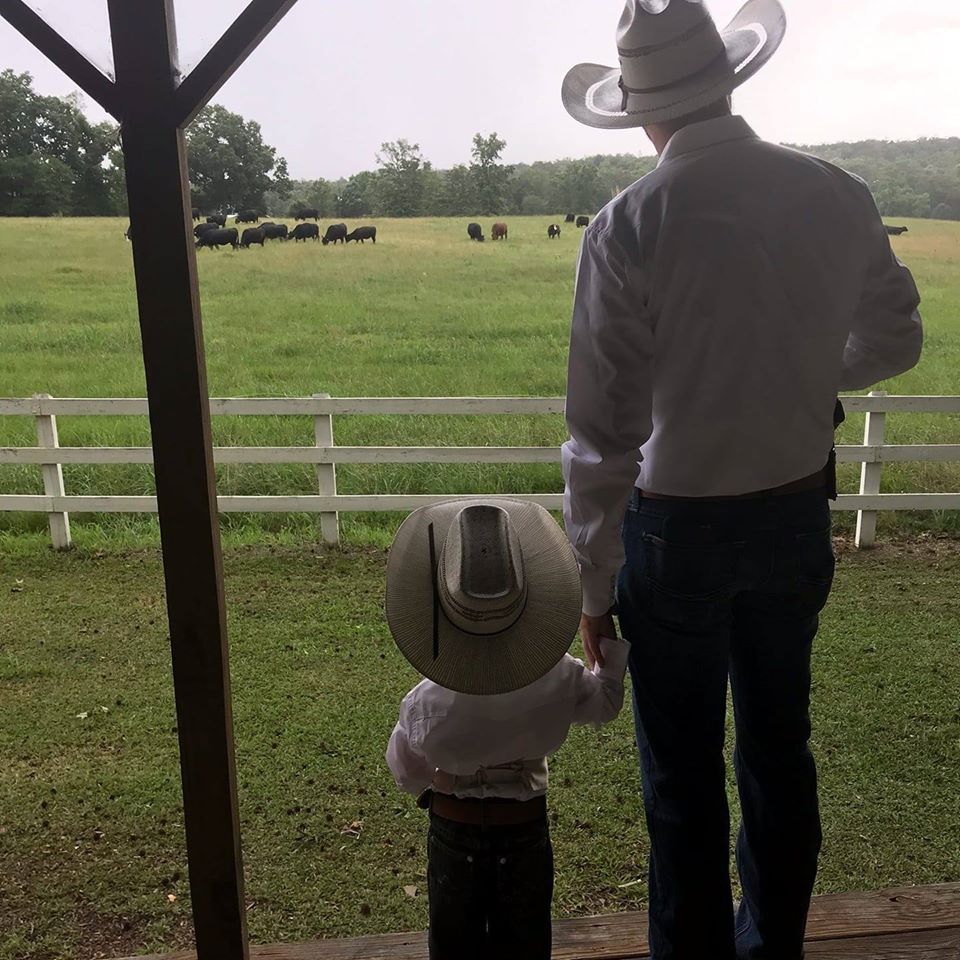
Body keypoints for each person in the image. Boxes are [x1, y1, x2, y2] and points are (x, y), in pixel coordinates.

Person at [560, 1, 923, 958]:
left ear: (643, 112)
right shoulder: (836, 192)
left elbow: (602, 438)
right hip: (794, 513)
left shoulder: (628, 223)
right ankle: (775, 947)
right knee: (778, 749)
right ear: (728, 80)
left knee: (681, 778)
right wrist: (799, 366)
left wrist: (592, 591)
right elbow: (895, 337)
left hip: (674, 533)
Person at [384, 498, 628, 960]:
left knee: (455, 943)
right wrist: (605, 650)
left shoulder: (424, 703)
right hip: (524, 829)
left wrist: (434, 788)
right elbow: (605, 704)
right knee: (526, 940)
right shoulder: (562, 677)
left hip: (453, 829)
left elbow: (405, 767)